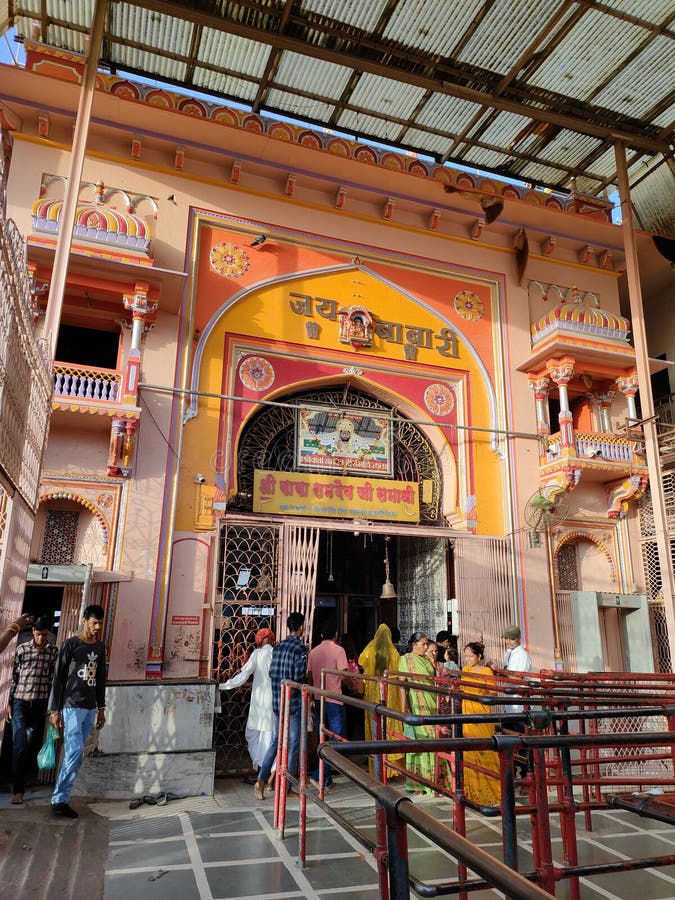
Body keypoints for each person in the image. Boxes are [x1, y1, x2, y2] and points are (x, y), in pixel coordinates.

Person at [48, 604, 107, 818]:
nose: (97, 627)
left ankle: (61, 798)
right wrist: (54, 709)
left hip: (90, 708)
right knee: (73, 753)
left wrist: (101, 708)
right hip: (71, 706)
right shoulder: (70, 644)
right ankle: (59, 800)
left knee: (77, 755)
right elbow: (58, 678)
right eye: (94, 623)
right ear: (84, 620)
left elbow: (101, 679)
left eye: (100, 623)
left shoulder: (100, 648)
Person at [254, 611, 307, 802]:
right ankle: (287, 787)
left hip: (277, 702)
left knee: (276, 742)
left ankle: (261, 780)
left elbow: (272, 672)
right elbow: (300, 677)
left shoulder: (278, 647)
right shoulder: (300, 648)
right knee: (293, 744)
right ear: (301, 627)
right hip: (293, 704)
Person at [7, 615, 58, 805]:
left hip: (40, 705)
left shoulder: (53, 652)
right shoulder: (22, 649)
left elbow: (54, 680)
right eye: (37, 634)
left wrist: (52, 707)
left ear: (49, 633)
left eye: (44, 635)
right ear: (32, 632)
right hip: (20, 702)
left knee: (31, 745)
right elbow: (14, 677)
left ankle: (28, 779)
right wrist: (9, 703)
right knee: (19, 745)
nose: (41, 639)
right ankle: (18, 790)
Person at [399, 632, 451, 795]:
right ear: (414, 645)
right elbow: (402, 684)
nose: (426, 647)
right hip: (417, 704)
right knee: (419, 741)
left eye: (427, 644)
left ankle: (436, 781)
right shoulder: (405, 660)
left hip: (432, 704)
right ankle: (419, 784)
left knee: (434, 738)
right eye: (423, 644)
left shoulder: (428, 660)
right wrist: (404, 705)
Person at [220, 626, 276, 778]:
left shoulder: (257, 654)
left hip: (258, 703)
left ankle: (262, 772)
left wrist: (225, 685)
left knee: (253, 735)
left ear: (260, 640)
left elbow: (244, 675)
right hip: (274, 702)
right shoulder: (277, 653)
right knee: (269, 737)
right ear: (271, 639)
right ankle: (268, 773)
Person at [307, 620, 348, 791]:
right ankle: (318, 776)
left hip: (318, 698)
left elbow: (309, 676)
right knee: (336, 739)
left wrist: (311, 696)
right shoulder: (339, 650)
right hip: (334, 699)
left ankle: (326, 778)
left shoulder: (314, 652)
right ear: (336, 634)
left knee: (322, 737)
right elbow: (344, 676)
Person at [358, 623, 404, 775]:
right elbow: (398, 673)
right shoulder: (393, 652)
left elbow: (361, 662)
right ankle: (391, 768)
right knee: (389, 724)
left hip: (372, 691)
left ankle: (376, 766)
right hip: (389, 692)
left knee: (374, 725)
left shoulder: (369, 649)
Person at [461, 641, 501, 809]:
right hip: (467, 716)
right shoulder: (464, 670)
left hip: (482, 716)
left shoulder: (486, 671)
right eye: (466, 656)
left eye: (470, 656)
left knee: (486, 752)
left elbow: (493, 693)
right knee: (470, 753)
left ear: (479, 656)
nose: (468, 659)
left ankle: (494, 793)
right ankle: (472, 794)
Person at [502, 624, 533, 782]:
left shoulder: (522, 655)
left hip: (519, 704)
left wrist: (501, 673)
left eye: (511, 639)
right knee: (509, 740)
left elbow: (518, 677)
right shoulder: (509, 653)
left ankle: (526, 776)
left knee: (522, 740)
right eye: (507, 638)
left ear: (517, 639)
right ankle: (512, 775)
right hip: (509, 703)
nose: (508, 641)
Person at [339, 633, 364, 740]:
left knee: (345, 716)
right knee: (352, 716)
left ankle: (346, 740)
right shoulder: (354, 654)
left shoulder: (340, 652)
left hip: (345, 687)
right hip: (355, 685)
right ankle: (352, 740)